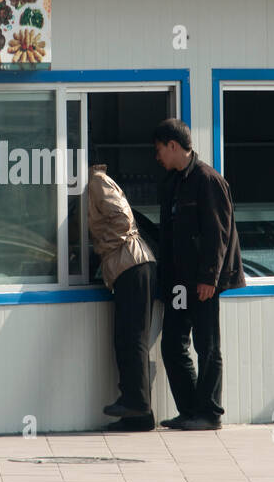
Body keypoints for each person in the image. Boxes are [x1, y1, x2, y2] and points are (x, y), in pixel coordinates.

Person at [153, 118, 246, 430]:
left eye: (160, 151)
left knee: (207, 345)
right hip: (179, 284)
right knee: (173, 344)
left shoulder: (208, 180)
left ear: (174, 146)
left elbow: (218, 234)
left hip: (202, 283)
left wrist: (210, 278)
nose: (158, 158)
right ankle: (191, 410)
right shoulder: (173, 183)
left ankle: (209, 413)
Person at [88, 164, 158, 432]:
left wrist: (104, 245)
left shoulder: (97, 181)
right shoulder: (90, 186)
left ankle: (137, 403)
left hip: (133, 266)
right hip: (130, 267)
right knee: (127, 338)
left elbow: (121, 218)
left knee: (132, 339)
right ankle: (139, 416)